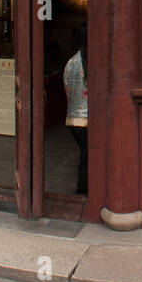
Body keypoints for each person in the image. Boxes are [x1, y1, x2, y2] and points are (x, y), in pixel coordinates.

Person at [59, 19, 89, 194]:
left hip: (72, 120)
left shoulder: (71, 62)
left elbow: (67, 89)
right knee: (86, 159)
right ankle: (82, 191)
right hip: (88, 120)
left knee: (85, 156)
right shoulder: (93, 63)